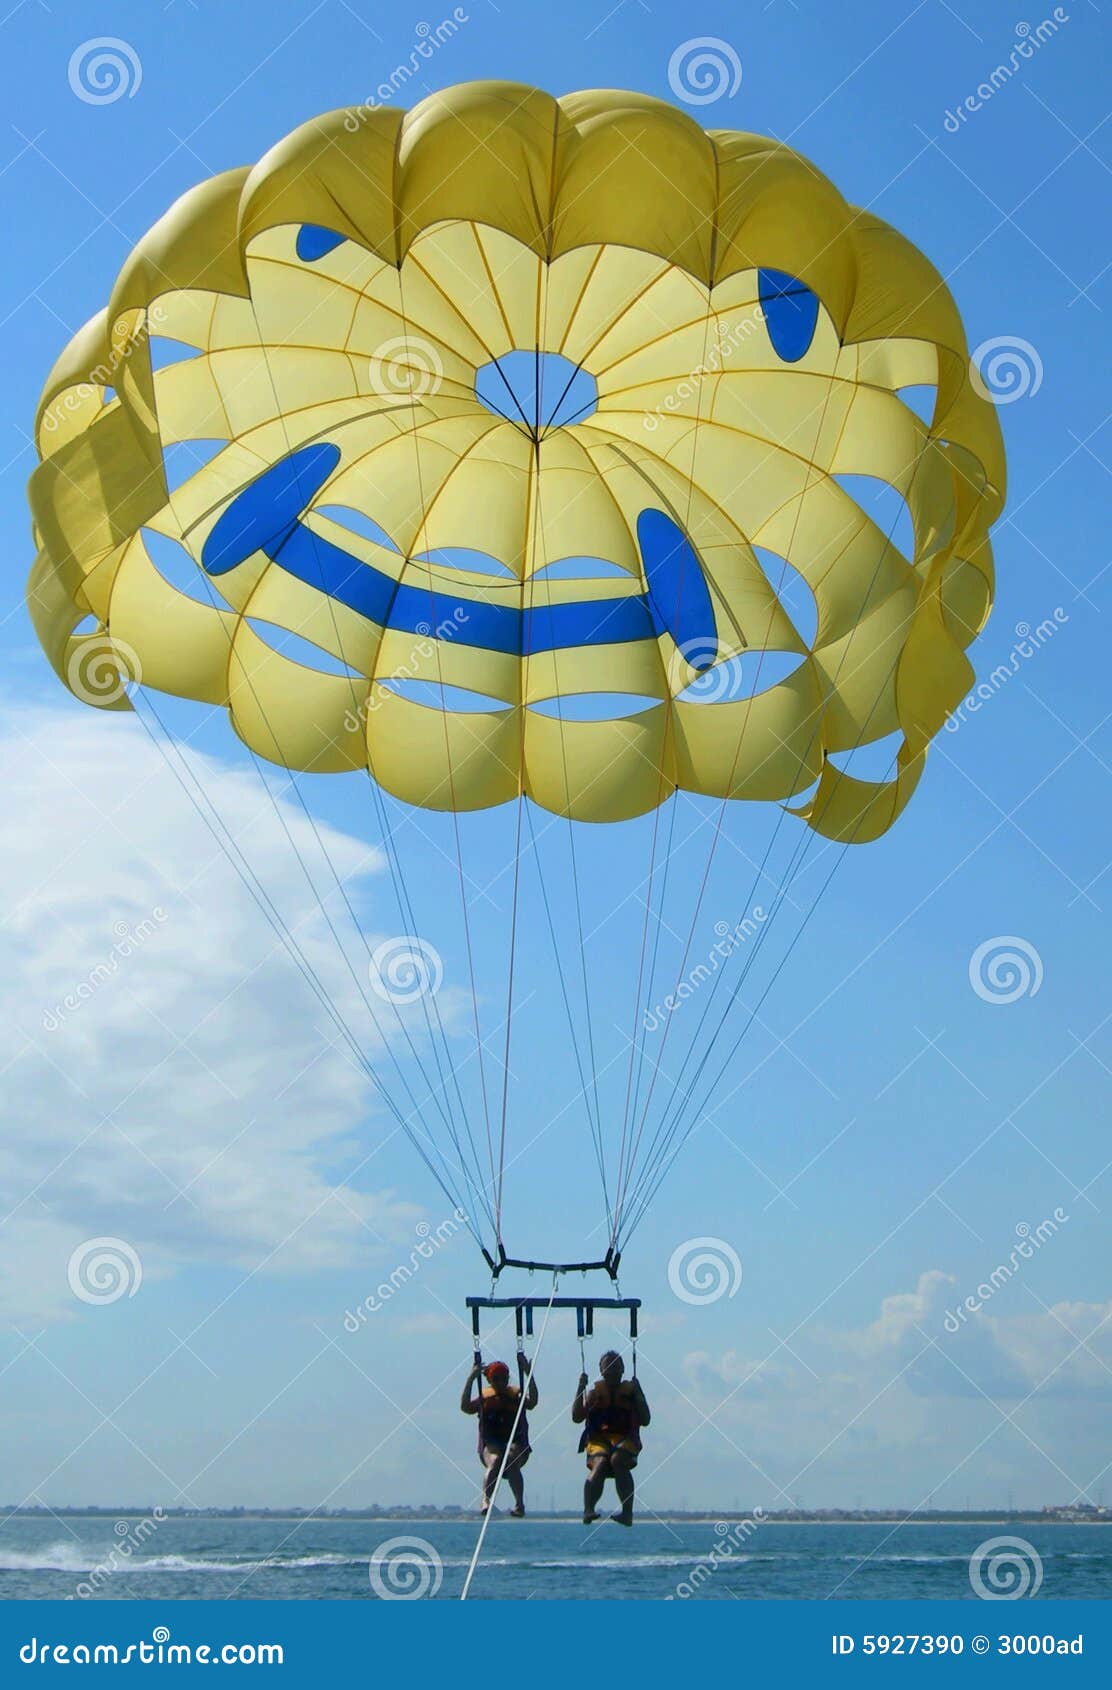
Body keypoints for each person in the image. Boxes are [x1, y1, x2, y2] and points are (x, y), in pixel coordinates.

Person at [572, 1349, 650, 1527]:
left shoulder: (631, 1393)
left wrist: (639, 1394)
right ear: (601, 1371)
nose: (612, 1372)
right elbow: (577, 1417)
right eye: (608, 1368)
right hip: (599, 1441)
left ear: (623, 1370)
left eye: (616, 1368)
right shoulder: (594, 1394)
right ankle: (588, 1509)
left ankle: (627, 1513)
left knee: (617, 1459)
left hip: (625, 1439)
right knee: (600, 1463)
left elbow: (645, 1420)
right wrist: (580, 1388)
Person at [461, 1356, 537, 1516]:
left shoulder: (516, 1396)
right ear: (489, 1380)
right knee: (496, 1460)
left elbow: (533, 1402)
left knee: (511, 1459)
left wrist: (528, 1373)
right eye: (496, 1379)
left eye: (503, 1379)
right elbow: (465, 1407)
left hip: (516, 1442)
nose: (500, 1382)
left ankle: (519, 1504)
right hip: (491, 1444)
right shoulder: (485, 1398)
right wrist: (471, 1378)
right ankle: (485, 1500)